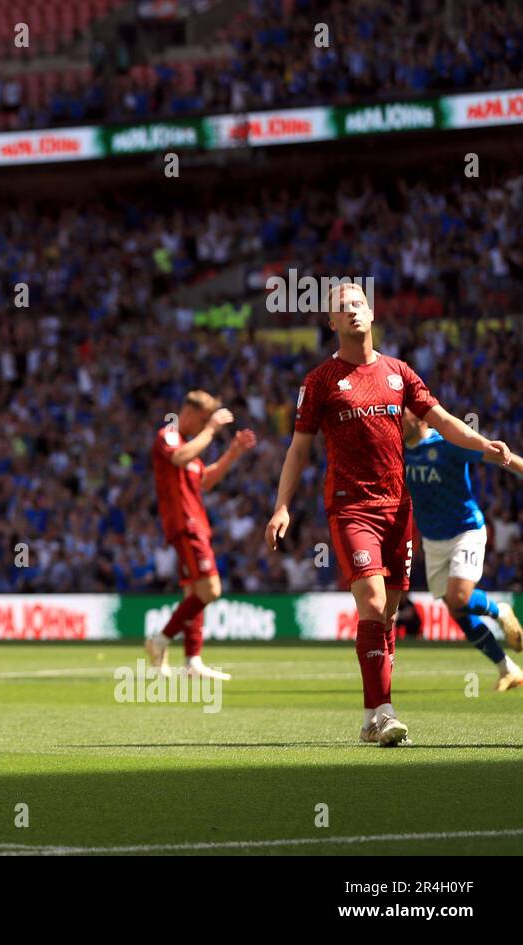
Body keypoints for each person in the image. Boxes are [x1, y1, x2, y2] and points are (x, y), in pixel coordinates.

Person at [265, 283, 513, 746]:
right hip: (351, 507)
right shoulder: (320, 381)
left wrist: (483, 445)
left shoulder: (399, 373)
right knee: (374, 605)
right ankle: (384, 712)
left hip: (399, 509)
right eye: (342, 308)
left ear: (371, 313)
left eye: (358, 303)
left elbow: (440, 420)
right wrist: (281, 505)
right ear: (332, 323)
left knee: (390, 614)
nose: (352, 311)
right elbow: (299, 449)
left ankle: (369, 717)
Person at [402, 409, 523, 689]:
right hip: (433, 542)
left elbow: (497, 457)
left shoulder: (448, 443)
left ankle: (500, 611)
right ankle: (508, 669)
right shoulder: (398, 452)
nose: (397, 419)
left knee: (458, 596)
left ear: (420, 417)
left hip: (465, 531)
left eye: (403, 414)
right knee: (456, 610)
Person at [146, 390, 256, 679]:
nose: (207, 427)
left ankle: (192, 660)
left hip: (196, 525)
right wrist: (209, 430)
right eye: (204, 420)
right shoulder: (169, 437)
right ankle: (160, 640)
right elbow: (180, 457)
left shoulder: (190, 448)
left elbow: (205, 480)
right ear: (191, 413)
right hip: (186, 525)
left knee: (195, 593)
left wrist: (232, 452)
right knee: (211, 590)